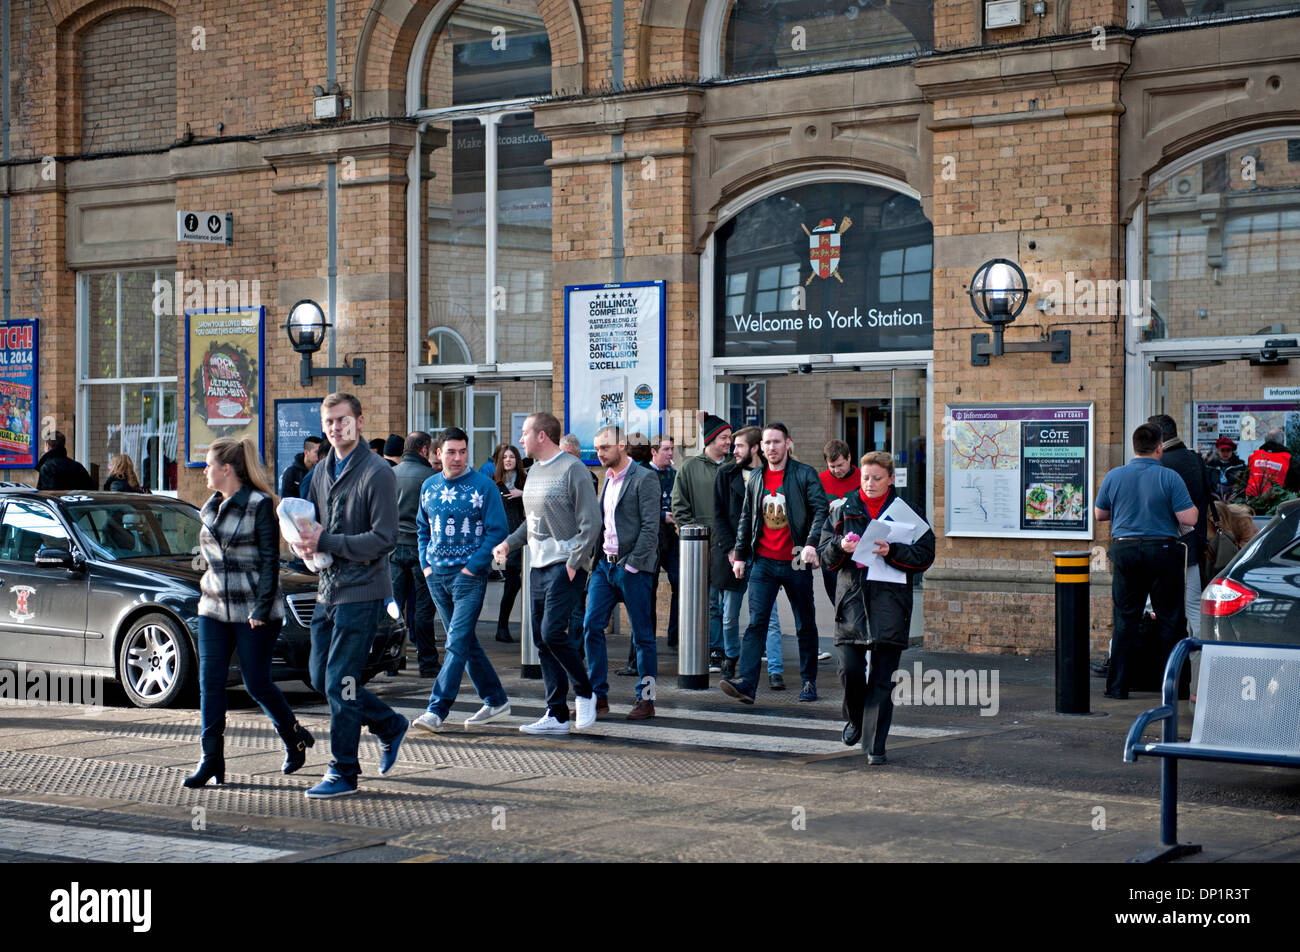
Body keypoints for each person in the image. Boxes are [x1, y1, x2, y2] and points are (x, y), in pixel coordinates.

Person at [295, 393, 408, 798]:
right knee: (318, 676)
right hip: (327, 588)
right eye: (329, 421)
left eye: (342, 420)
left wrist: (328, 539)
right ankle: (389, 723)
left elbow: (385, 538)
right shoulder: (322, 471)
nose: (335, 428)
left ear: (359, 422)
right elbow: (311, 523)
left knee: (341, 680)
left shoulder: (378, 472)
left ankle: (343, 770)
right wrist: (300, 542)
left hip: (363, 590)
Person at [185, 437, 313, 788]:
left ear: (227, 469)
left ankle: (294, 736)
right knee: (209, 683)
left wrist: (260, 606)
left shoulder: (260, 505)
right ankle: (211, 759)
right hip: (213, 606)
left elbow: (271, 561)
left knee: (256, 682)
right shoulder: (209, 506)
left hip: (254, 609)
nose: (205, 472)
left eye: (209, 465)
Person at [817, 451, 934, 764]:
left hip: (890, 603)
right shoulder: (843, 509)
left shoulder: (906, 511)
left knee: (883, 679)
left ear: (891, 479)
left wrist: (891, 550)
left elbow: (925, 554)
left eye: (877, 478)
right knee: (849, 670)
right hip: (852, 602)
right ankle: (855, 718)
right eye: (866, 477)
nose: (869, 484)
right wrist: (840, 546)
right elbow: (826, 556)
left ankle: (875, 746)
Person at [492, 411, 601, 735]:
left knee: (553, 632)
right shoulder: (535, 472)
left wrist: (574, 561)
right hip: (537, 565)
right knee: (541, 638)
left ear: (542, 436)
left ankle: (584, 691)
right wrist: (510, 544)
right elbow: (532, 521)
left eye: (525, 433)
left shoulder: (573, 469)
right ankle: (556, 715)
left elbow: (591, 522)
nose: (521, 438)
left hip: (564, 565)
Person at [412, 427, 512, 732]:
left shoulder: (484, 487)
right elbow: (422, 529)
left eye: (462, 451)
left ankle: (437, 709)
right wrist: (426, 565)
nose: (457, 458)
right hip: (436, 577)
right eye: (451, 452)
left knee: (455, 642)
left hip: (468, 578)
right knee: (464, 640)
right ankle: (496, 700)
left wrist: (472, 567)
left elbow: (498, 531)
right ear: (438, 454)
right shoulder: (428, 486)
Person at [721, 421, 828, 704]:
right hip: (764, 562)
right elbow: (747, 518)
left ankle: (808, 682)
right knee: (756, 623)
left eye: (777, 442)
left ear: (788, 444)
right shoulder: (756, 478)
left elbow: (821, 509)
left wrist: (811, 544)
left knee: (804, 622)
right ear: (761, 447)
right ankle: (746, 684)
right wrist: (741, 555)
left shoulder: (804, 474)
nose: (771, 448)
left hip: (795, 560)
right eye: (767, 443)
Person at [1094, 422, 1197, 700]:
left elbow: (1100, 514)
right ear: (1159, 448)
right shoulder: (1169, 477)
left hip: (1125, 551)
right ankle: (1174, 689)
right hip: (1162, 552)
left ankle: (1117, 687)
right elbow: (1189, 519)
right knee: (1170, 621)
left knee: (1125, 620)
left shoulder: (1115, 476)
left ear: (1134, 447)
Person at [581, 425, 661, 720]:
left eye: (604, 448)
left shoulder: (645, 478)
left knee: (643, 637)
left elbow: (651, 527)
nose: (599, 453)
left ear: (622, 446)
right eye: (597, 448)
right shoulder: (607, 479)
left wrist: (632, 564)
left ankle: (646, 699)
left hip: (633, 569)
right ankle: (598, 696)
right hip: (604, 566)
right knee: (591, 626)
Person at [714, 426, 786, 687]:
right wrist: (731, 550)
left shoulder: (772, 475)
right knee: (729, 616)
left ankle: (775, 670)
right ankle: (731, 656)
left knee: (769, 617)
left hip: (763, 556)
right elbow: (719, 515)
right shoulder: (725, 475)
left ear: (755, 448)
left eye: (740, 446)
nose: (734, 451)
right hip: (734, 555)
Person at [671, 412, 732, 671]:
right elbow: (679, 507)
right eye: (724, 438)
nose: (729, 442)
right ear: (710, 440)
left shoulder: (735, 466)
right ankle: (715, 650)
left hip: (732, 546)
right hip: (703, 547)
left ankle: (732, 650)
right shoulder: (689, 468)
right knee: (712, 601)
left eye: (730, 437)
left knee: (732, 603)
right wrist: (695, 537)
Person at [1149, 414, 1213, 638]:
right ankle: (1200, 660)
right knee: (1194, 606)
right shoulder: (1195, 459)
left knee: (1156, 607)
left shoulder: (1160, 464)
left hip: (1165, 546)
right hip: (1193, 545)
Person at [391, 431, 441, 678]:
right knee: (423, 608)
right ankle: (428, 663)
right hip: (422, 548)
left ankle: (392, 662)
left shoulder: (391, 474)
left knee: (394, 608)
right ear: (424, 450)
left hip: (394, 548)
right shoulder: (431, 478)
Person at [819, 439, 860, 603]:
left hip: (857, 549)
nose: (836, 470)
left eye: (840, 465)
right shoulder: (819, 481)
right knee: (835, 598)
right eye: (832, 466)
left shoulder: (862, 479)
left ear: (849, 457)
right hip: (831, 547)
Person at [493, 444, 527, 642]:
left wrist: (522, 494)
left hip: (523, 537)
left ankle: (505, 626)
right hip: (501, 540)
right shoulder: (494, 483)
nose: (508, 460)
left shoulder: (526, 480)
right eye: (504, 457)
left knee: (517, 583)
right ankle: (502, 626)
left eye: (512, 457)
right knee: (511, 581)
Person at [1245, 427, 1299, 497]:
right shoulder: (1287, 459)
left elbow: (1247, 477)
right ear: (1282, 441)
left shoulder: (1254, 456)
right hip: (1275, 501)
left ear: (1265, 441)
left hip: (1250, 499)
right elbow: (1296, 482)